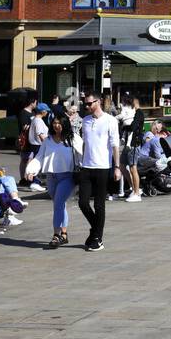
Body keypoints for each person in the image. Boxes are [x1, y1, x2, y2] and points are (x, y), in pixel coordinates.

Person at [76, 92, 120, 252]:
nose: (86, 106)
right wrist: (79, 162)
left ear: (98, 102)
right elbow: (84, 144)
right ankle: (95, 230)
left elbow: (115, 145)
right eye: (85, 104)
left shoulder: (110, 120)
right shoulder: (86, 121)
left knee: (99, 205)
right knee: (82, 202)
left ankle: (97, 238)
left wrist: (117, 167)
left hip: (103, 167)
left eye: (89, 103)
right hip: (86, 167)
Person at [36, 117, 77, 247]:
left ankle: (56, 235)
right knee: (60, 204)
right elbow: (39, 156)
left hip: (67, 176)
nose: (56, 125)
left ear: (65, 124)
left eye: (59, 123)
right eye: (54, 123)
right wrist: (31, 170)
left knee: (58, 203)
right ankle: (64, 234)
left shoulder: (72, 138)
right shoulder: (48, 140)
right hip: (51, 176)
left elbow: (83, 153)